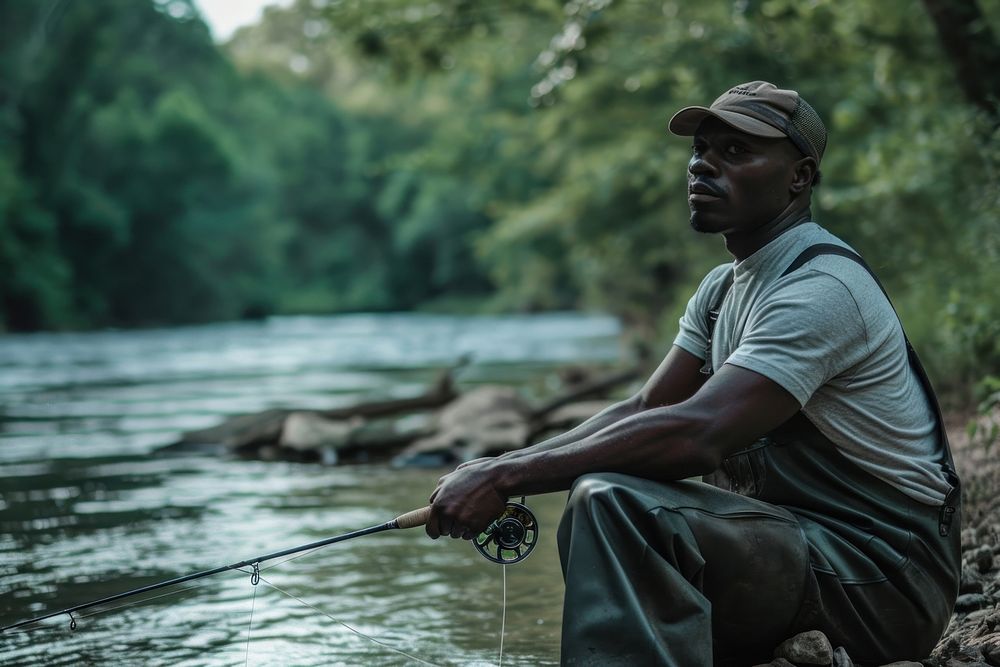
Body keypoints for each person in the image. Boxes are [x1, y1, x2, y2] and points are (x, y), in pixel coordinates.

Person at [425, 81, 961, 665]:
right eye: (700, 149)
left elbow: (696, 435)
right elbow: (643, 411)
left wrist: (506, 483)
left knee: (615, 504)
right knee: (606, 492)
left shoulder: (821, 289)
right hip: (797, 552)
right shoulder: (720, 289)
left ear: (799, 177)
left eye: (735, 152)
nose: (703, 164)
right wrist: (498, 466)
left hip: (884, 583)